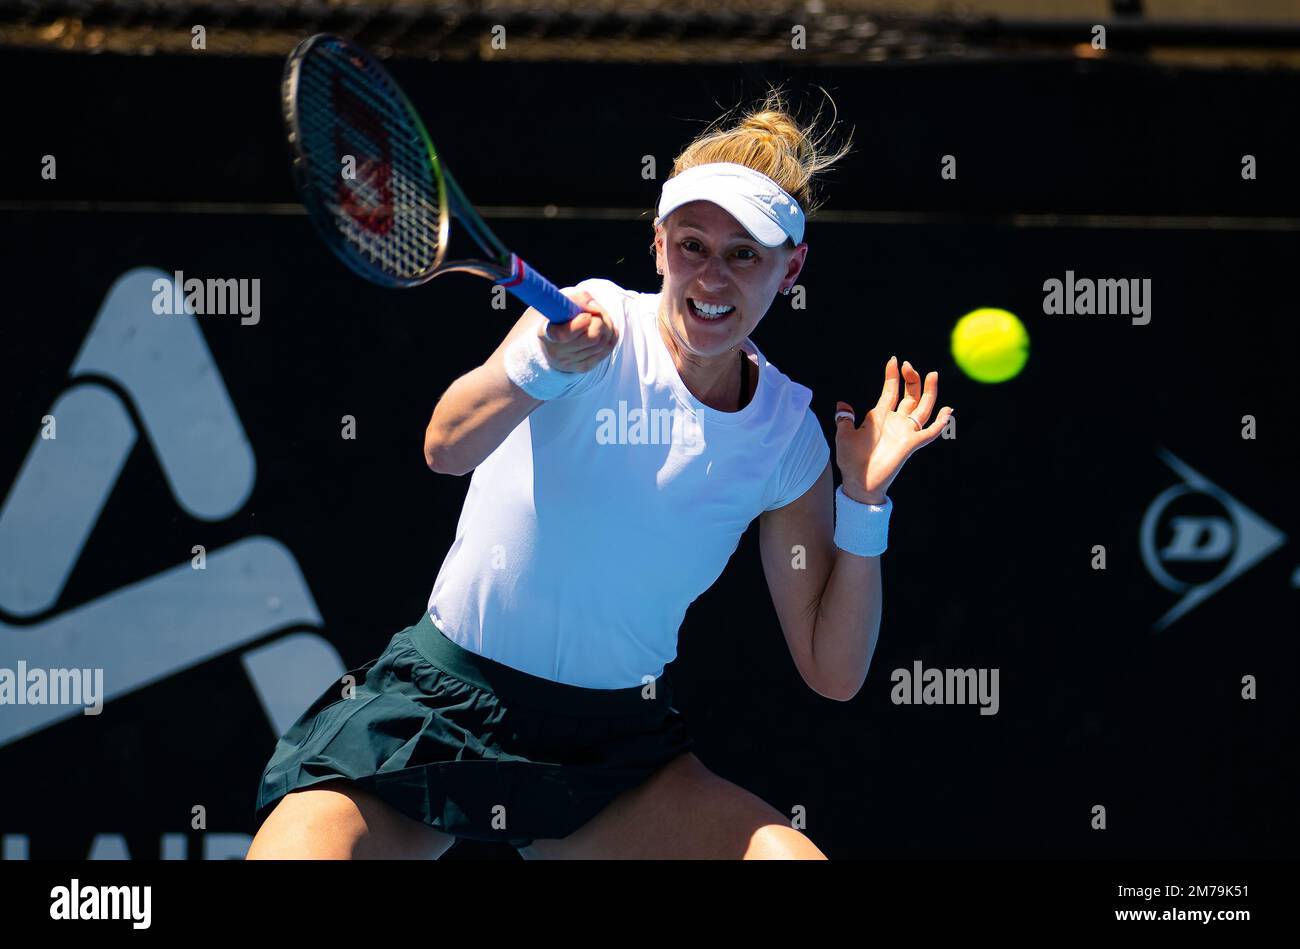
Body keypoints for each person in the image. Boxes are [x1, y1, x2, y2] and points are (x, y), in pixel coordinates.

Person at [247, 87, 953, 860]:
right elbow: (444, 446)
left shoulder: (788, 438)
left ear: (792, 268)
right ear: (658, 245)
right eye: (692, 245)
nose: (713, 278)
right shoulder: (585, 323)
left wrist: (864, 501)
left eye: (745, 254)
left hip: (614, 761)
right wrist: (538, 367)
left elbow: (834, 669)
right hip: (435, 708)